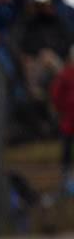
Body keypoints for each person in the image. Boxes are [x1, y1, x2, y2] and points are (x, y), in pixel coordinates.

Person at [49, 48, 74, 192]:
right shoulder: (65, 75)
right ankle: (65, 176)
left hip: (68, 118)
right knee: (66, 148)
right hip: (68, 119)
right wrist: (61, 109)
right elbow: (56, 94)